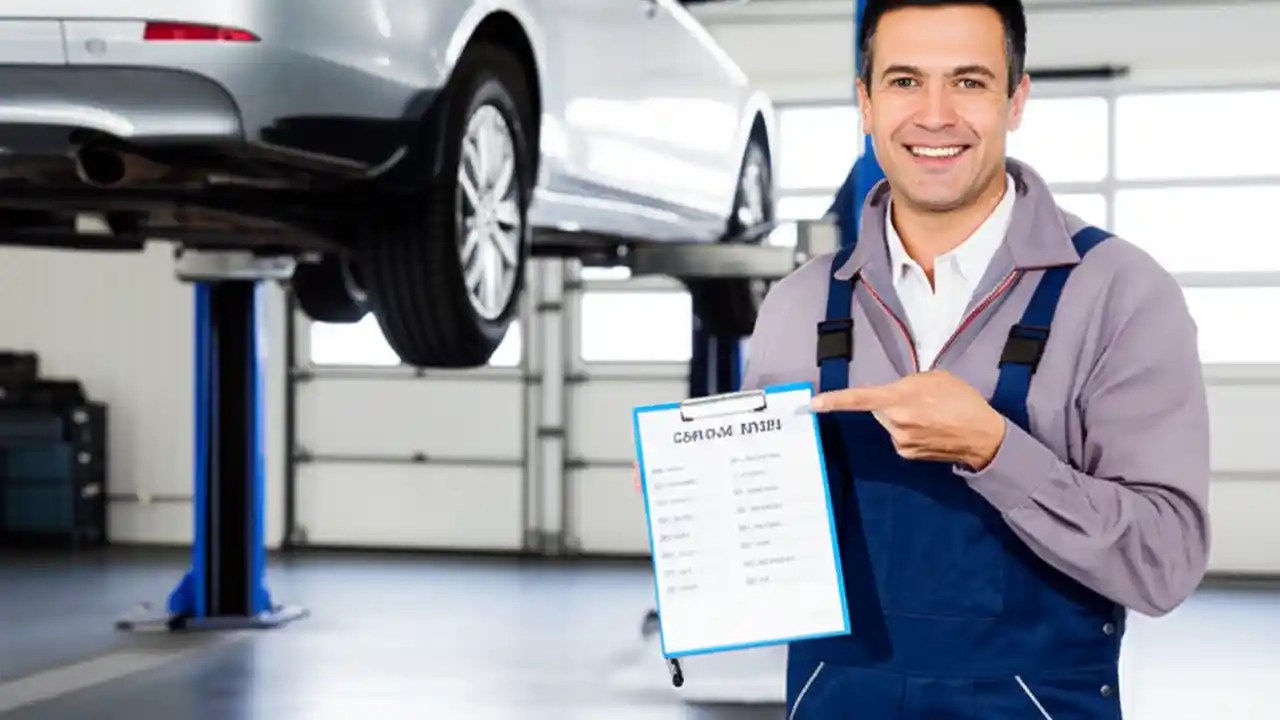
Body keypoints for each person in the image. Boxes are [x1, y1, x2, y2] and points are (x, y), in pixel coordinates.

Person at [734, 1, 1211, 717]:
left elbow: (1163, 562)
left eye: (968, 82)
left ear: (1015, 99)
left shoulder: (1119, 294)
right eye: (903, 82)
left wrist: (997, 452)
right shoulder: (798, 304)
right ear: (864, 103)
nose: (934, 115)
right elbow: (755, 544)